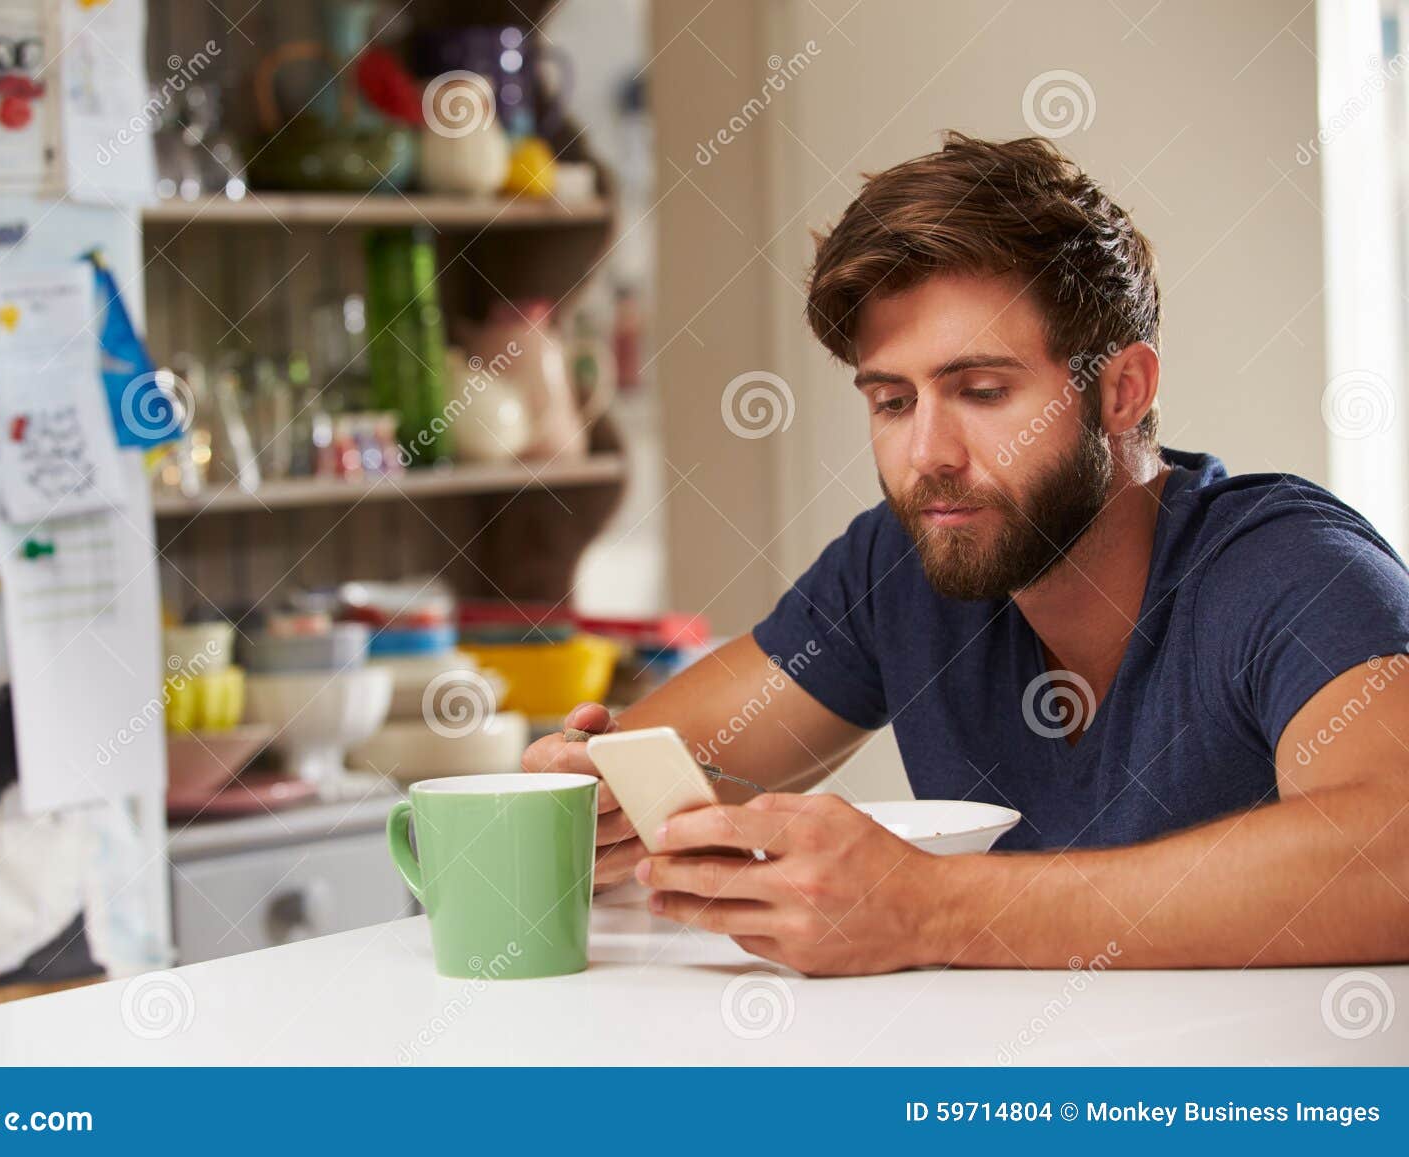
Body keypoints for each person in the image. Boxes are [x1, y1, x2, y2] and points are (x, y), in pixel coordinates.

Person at [521, 132, 1409, 976]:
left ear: (1123, 390)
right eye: (892, 402)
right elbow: (653, 766)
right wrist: (592, 802)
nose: (928, 456)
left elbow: (1395, 854)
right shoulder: (904, 560)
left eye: (982, 391)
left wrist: (928, 908)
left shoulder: (1293, 570)